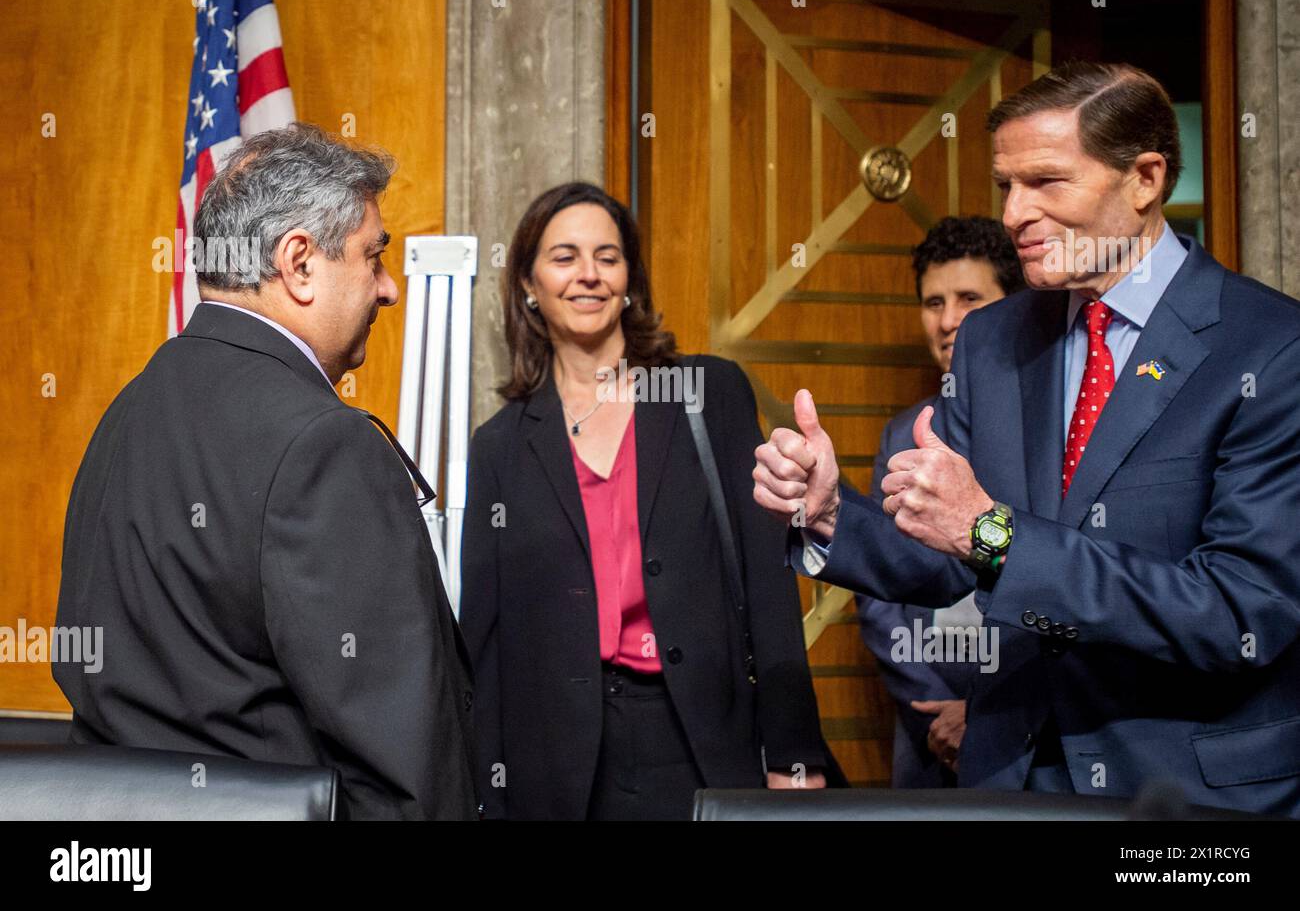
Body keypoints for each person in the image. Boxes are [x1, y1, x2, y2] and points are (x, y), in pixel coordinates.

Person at [754, 62, 1300, 815]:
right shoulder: (993, 339)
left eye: (1045, 182)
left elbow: (1241, 610)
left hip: (1185, 793)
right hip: (1009, 779)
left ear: (1144, 178)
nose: (1015, 215)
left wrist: (994, 537)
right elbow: (943, 554)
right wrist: (828, 514)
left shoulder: (1270, 347)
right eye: (1006, 185)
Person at [54, 123, 478, 820]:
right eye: (373, 258)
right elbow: (409, 773)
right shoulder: (326, 446)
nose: (390, 288)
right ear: (299, 262)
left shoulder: (124, 412)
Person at [459, 182, 832, 820]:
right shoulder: (499, 446)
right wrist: (484, 796)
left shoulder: (706, 394)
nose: (589, 275)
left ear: (629, 279)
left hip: (699, 738)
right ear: (529, 283)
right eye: (565, 257)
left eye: (608, 257)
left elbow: (768, 587)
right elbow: (486, 645)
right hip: (556, 765)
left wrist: (795, 756)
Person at [857, 216, 1024, 788]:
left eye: (970, 298)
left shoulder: (1050, 422)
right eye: (934, 302)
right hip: (927, 733)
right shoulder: (902, 433)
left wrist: (983, 710)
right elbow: (879, 590)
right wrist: (934, 704)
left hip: (1034, 726)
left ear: (1013, 303)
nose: (949, 319)